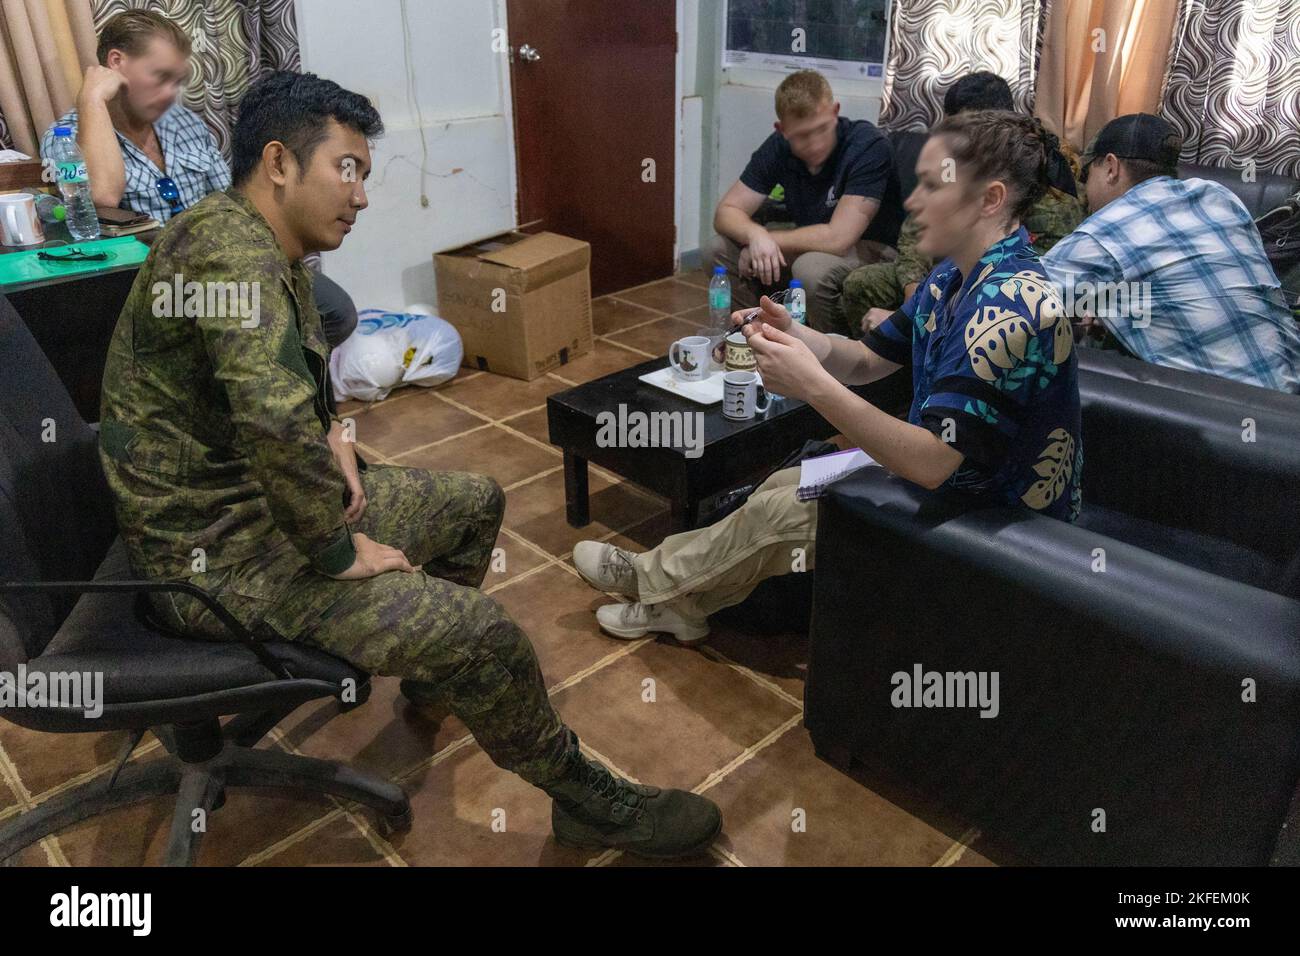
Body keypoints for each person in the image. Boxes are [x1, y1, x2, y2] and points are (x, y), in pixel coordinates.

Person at [96, 70, 721, 859]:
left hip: (255, 504)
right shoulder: (226, 249)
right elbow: (270, 414)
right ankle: (584, 801)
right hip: (213, 558)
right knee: (486, 634)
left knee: (475, 501)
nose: (360, 195)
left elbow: (280, 394)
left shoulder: (264, 243)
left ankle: (433, 677)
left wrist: (336, 441)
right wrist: (334, 546)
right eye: (346, 169)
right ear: (280, 162)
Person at [575, 111, 1082, 642]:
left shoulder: (1010, 306)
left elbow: (931, 462)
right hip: (947, 480)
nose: (914, 201)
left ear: (991, 199)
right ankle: (679, 606)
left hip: (993, 516)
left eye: (934, 185)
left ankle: (651, 580)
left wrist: (811, 385)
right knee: (780, 484)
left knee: (781, 510)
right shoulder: (953, 277)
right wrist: (800, 337)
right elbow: (867, 360)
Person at [40, 10, 357, 348]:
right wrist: (92, 100)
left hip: (224, 258)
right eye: (159, 77)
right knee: (250, 320)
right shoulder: (65, 137)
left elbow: (236, 201)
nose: (170, 93)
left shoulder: (183, 123)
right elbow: (101, 196)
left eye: (176, 81)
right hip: (156, 284)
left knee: (335, 311)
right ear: (116, 63)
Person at [1042, 113, 1300, 393]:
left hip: (1217, 418)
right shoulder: (1218, 198)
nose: (1086, 192)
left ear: (1110, 167)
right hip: (1287, 399)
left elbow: (1013, 304)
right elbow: (1185, 283)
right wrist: (1107, 306)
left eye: (1086, 175)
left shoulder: (1108, 229)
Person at [841, 71, 1084, 339]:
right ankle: (890, 373)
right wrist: (914, 295)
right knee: (862, 284)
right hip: (948, 273)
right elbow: (916, 230)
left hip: (1006, 291)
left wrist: (928, 314)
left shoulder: (1039, 170)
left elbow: (1041, 279)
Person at [708, 69, 904, 333]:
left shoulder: (867, 145)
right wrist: (755, 235)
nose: (814, 143)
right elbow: (726, 211)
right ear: (782, 130)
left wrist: (768, 240)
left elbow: (839, 237)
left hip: (874, 248)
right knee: (717, 249)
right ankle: (754, 336)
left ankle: (830, 360)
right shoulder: (778, 146)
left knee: (810, 268)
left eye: (822, 129)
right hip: (812, 243)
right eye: (801, 135)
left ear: (835, 111)